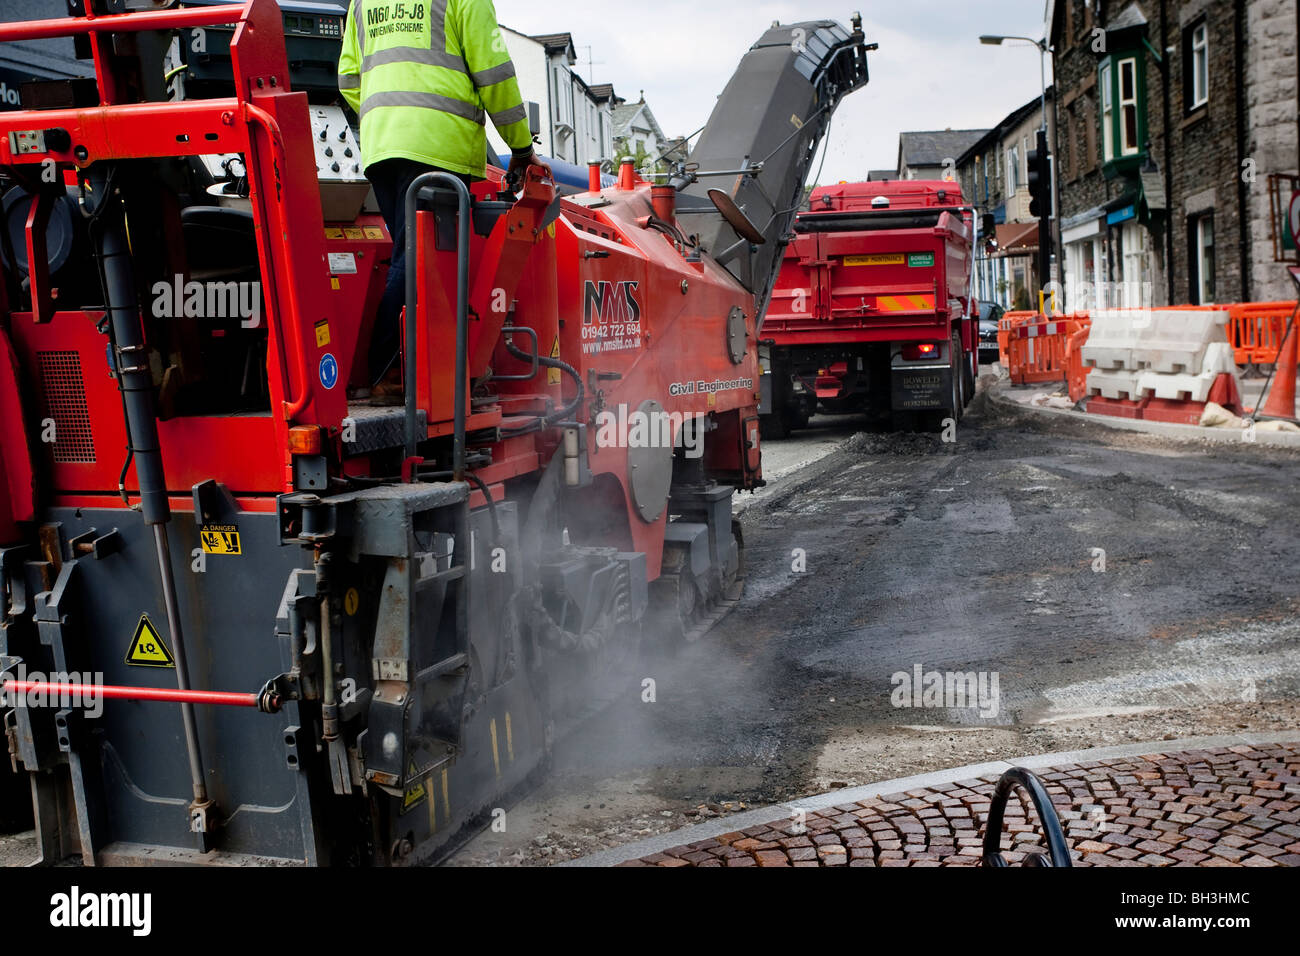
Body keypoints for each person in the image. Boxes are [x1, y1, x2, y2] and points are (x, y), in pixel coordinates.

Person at [338, 0, 547, 397]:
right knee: (420, 261)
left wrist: (388, 118)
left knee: (408, 254)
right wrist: (520, 146)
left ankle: (417, 369)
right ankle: (388, 371)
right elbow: (494, 75)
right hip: (435, 148)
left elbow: (349, 79)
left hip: (382, 149)